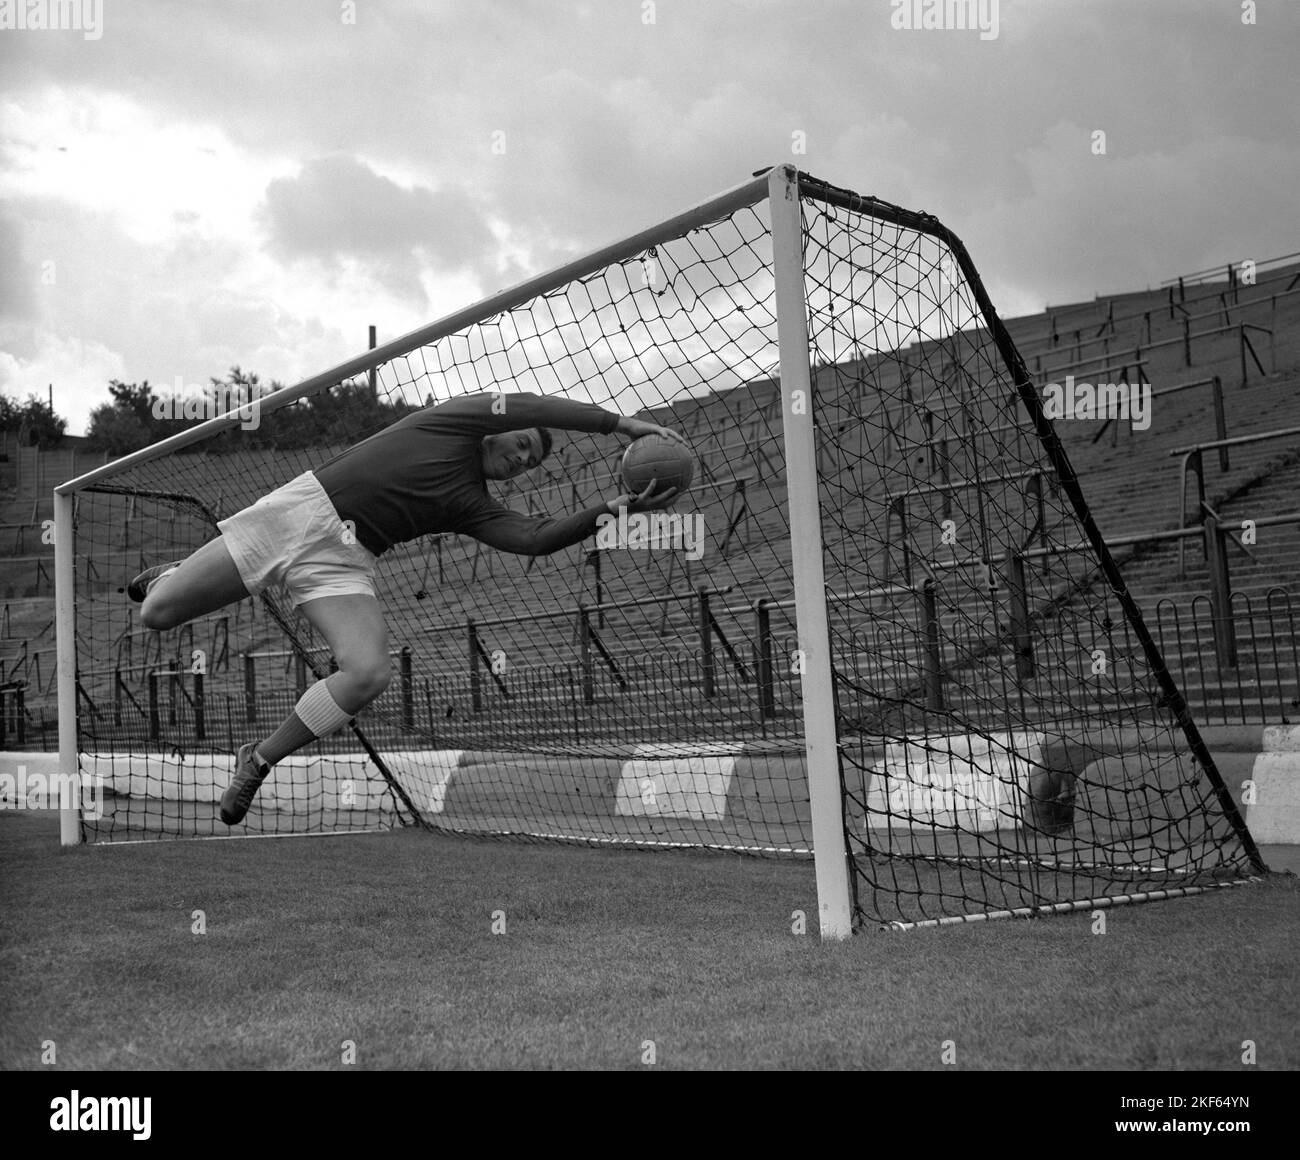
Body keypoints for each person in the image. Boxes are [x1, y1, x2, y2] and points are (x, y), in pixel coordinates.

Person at [128, 390, 686, 825]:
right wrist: (622, 424)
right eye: (522, 444)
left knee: (369, 673)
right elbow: (529, 405)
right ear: (499, 426)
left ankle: (260, 759)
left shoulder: (473, 505)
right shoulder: (455, 419)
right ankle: (174, 576)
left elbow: (534, 538)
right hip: (298, 515)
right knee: (157, 614)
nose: (522, 459)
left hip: (344, 562)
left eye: (532, 462)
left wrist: (614, 509)